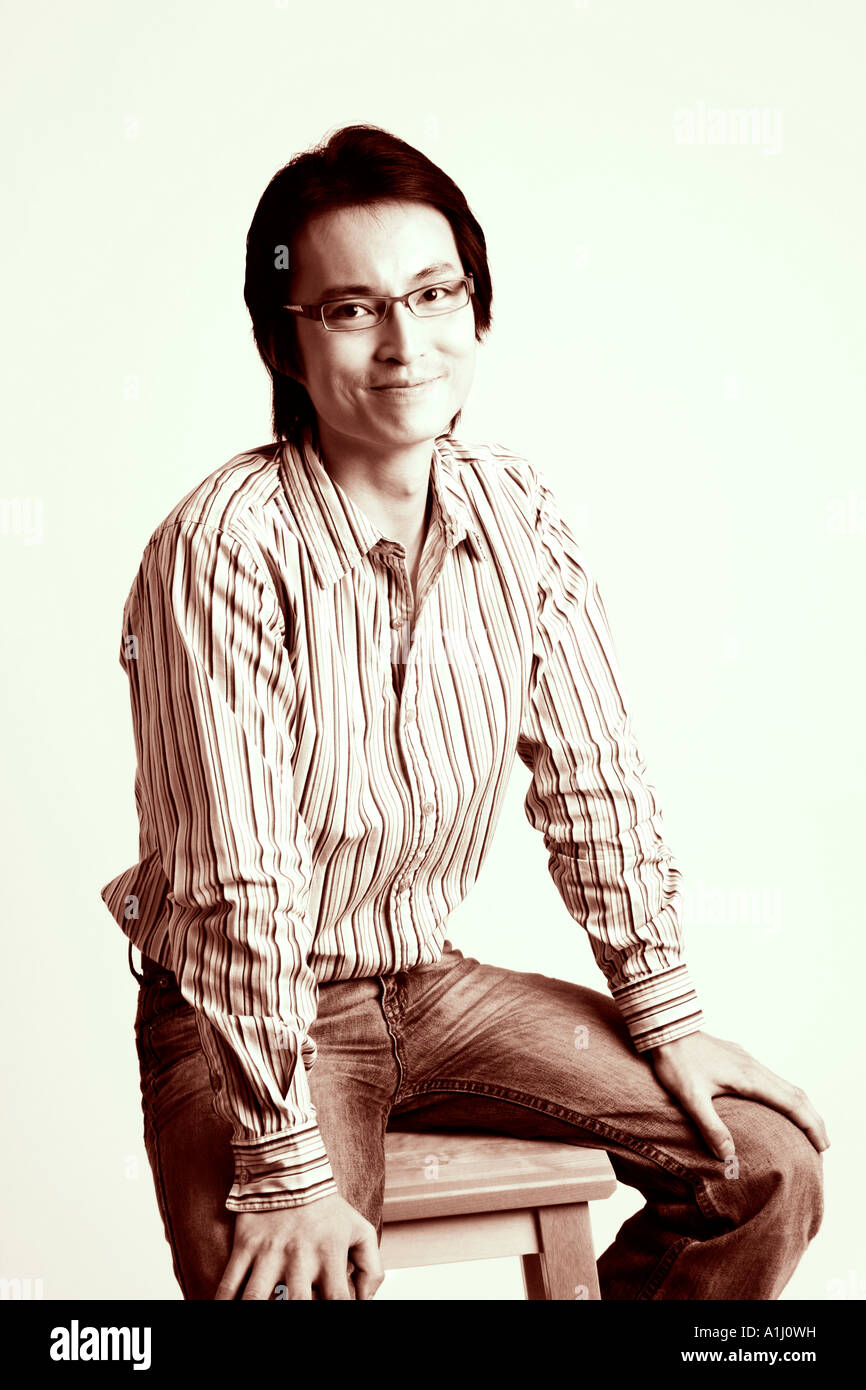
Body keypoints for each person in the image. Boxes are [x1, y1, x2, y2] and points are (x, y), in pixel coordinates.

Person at [101, 123, 827, 1301]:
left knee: (767, 1167)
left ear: (475, 310)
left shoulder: (514, 510)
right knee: (293, 1284)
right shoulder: (222, 547)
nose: (402, 342)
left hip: (427, 987)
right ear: (282, 340)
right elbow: (241, 879)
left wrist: (667, 1012)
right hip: (239, 1014)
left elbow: (589, 780)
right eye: (348, 309)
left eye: (433, 293)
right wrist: (282, 1157)